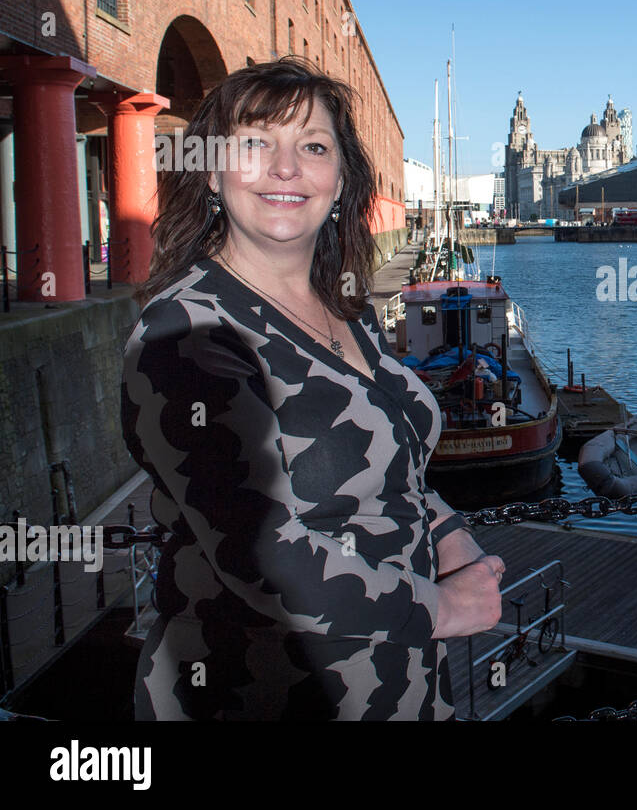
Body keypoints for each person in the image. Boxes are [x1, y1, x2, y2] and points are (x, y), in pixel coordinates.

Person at [121, 56, 503, 719]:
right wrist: (443, 606)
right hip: (263, 691)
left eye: (313, 146)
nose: (287, 167)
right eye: (255, 144)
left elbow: (396, 464)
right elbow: (258, 552)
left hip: (399, 686)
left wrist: (450, 536)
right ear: (212, 173)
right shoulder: (187, 334)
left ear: (340, 179)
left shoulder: (345, 308)